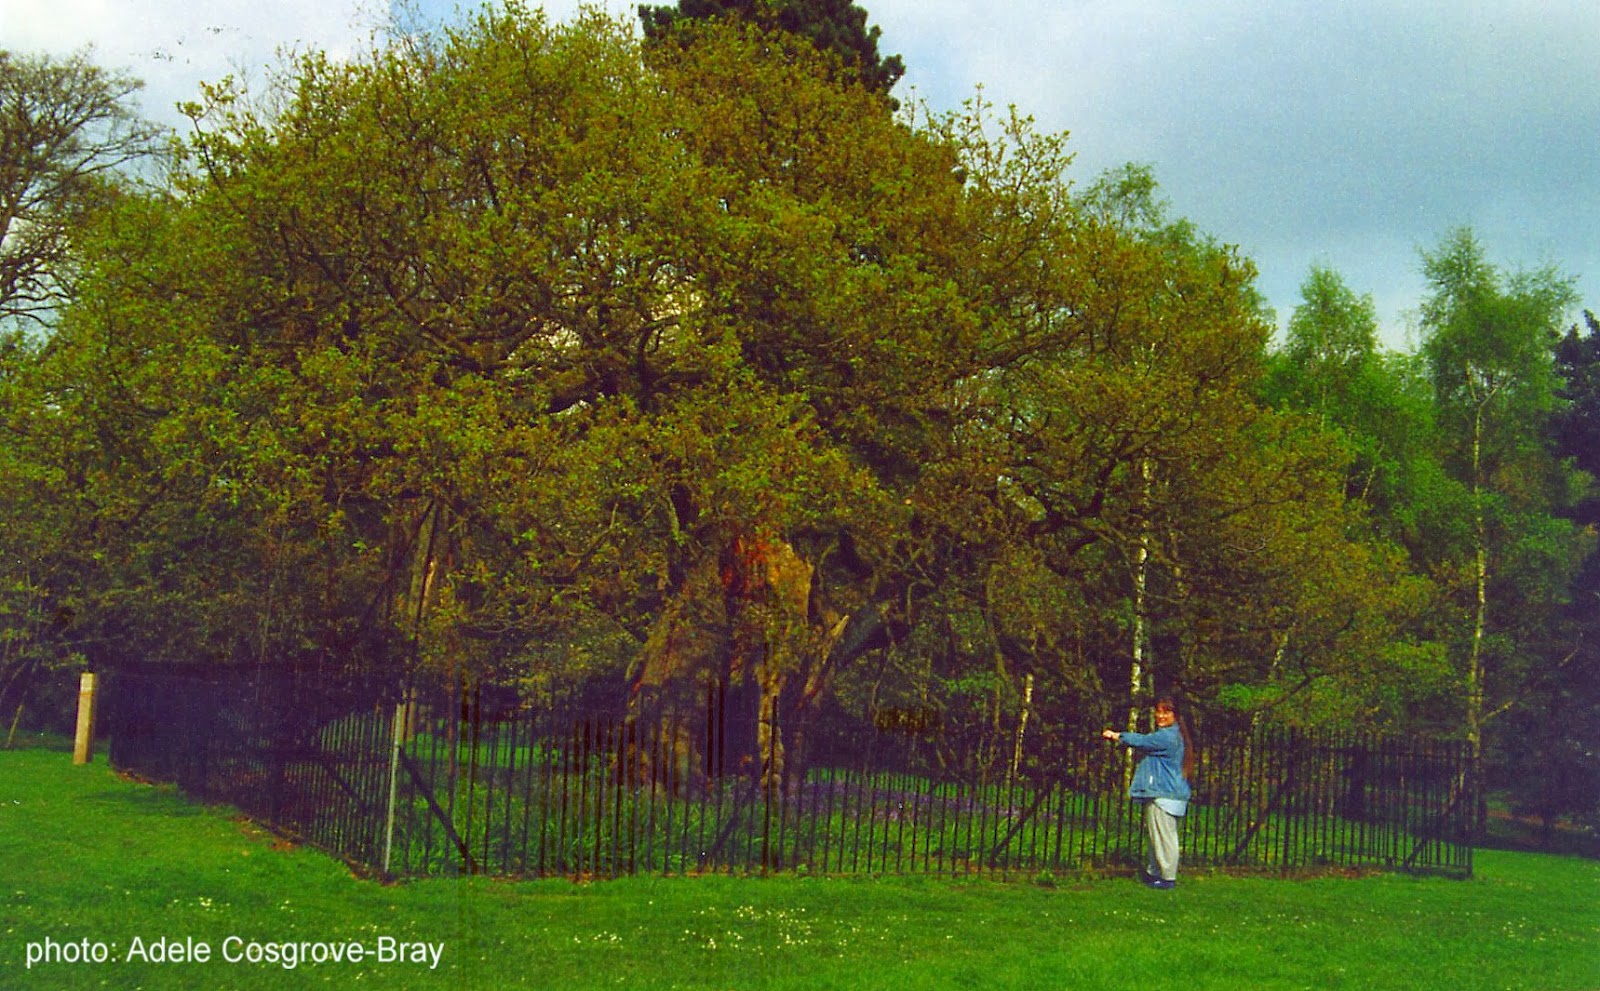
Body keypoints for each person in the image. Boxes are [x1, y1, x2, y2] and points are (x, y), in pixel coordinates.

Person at [1101, 697, 1194, 889]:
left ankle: (1167, 878)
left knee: (1164, 837)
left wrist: (1117, 735)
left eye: (1166, 712)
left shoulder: (1167, 737)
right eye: (1158, 711)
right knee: (1157, 836)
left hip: (1165, 795)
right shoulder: (1174, 735)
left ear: (1175, 716)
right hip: (1166, 793)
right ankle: (1156, 874)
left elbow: (1142, 741)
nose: (1160, 716)